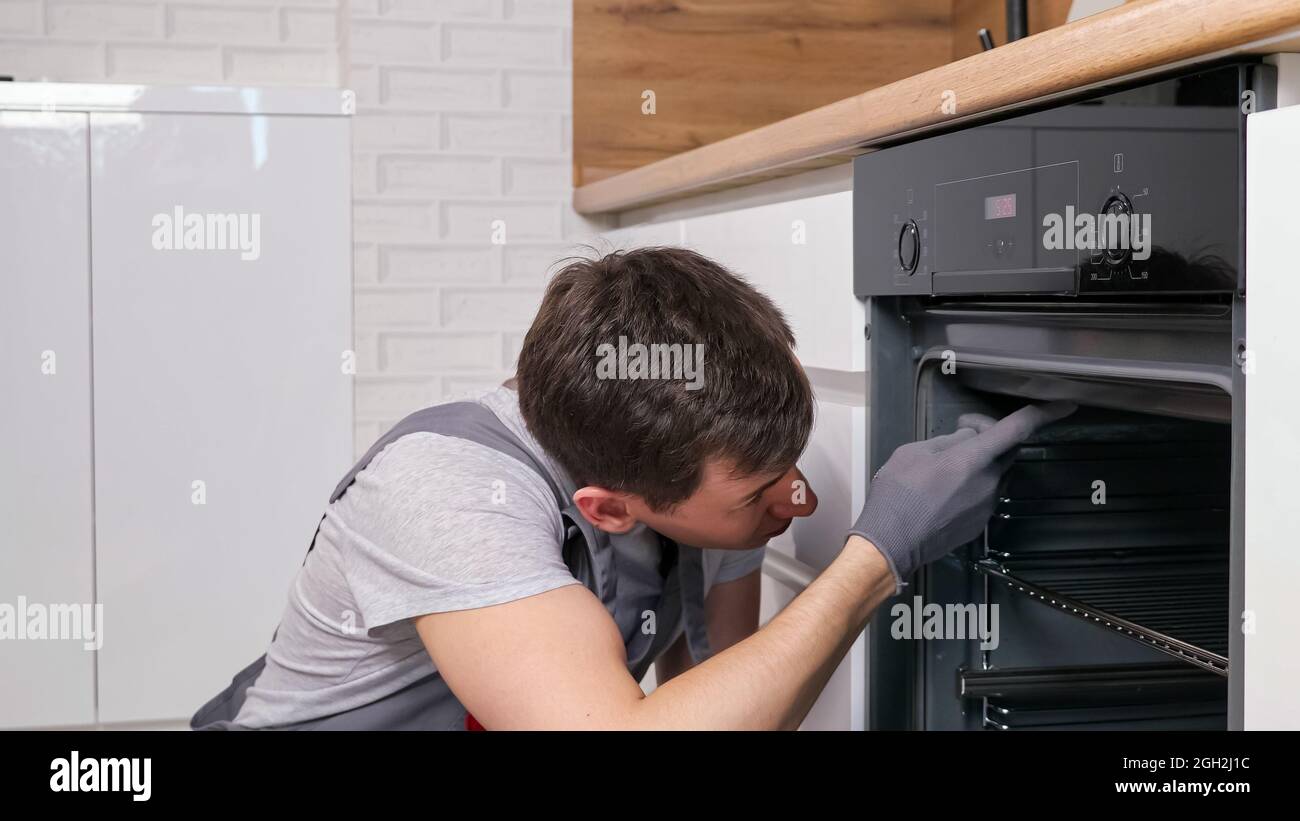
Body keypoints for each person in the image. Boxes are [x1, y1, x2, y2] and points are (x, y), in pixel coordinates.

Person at [196, 246, 1071, 730]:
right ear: (607, 508)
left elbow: (732, 697)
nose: (796, 502)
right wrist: (880, 552)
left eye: (792, 470)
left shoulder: (693, 483)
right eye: (761, 494)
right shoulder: (446, 493)